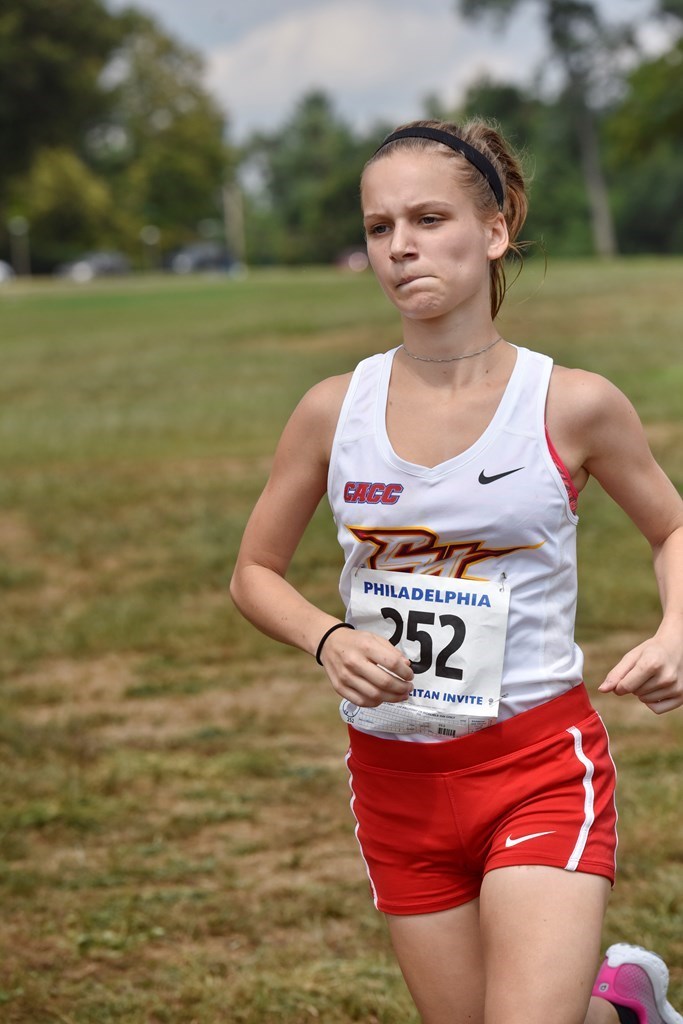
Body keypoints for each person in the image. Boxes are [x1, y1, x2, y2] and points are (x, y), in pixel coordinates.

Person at [230, 118, 683, 1024]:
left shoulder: (572, 403)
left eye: (429, 218)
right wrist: (326, 638)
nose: (400, 246)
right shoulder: (332, 412)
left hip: (538, 764)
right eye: (377, 227)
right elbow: (253, 571)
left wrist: (677, 630)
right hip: (393, 775)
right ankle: (628, 1011)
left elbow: (672, 528)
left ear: (495, 228)